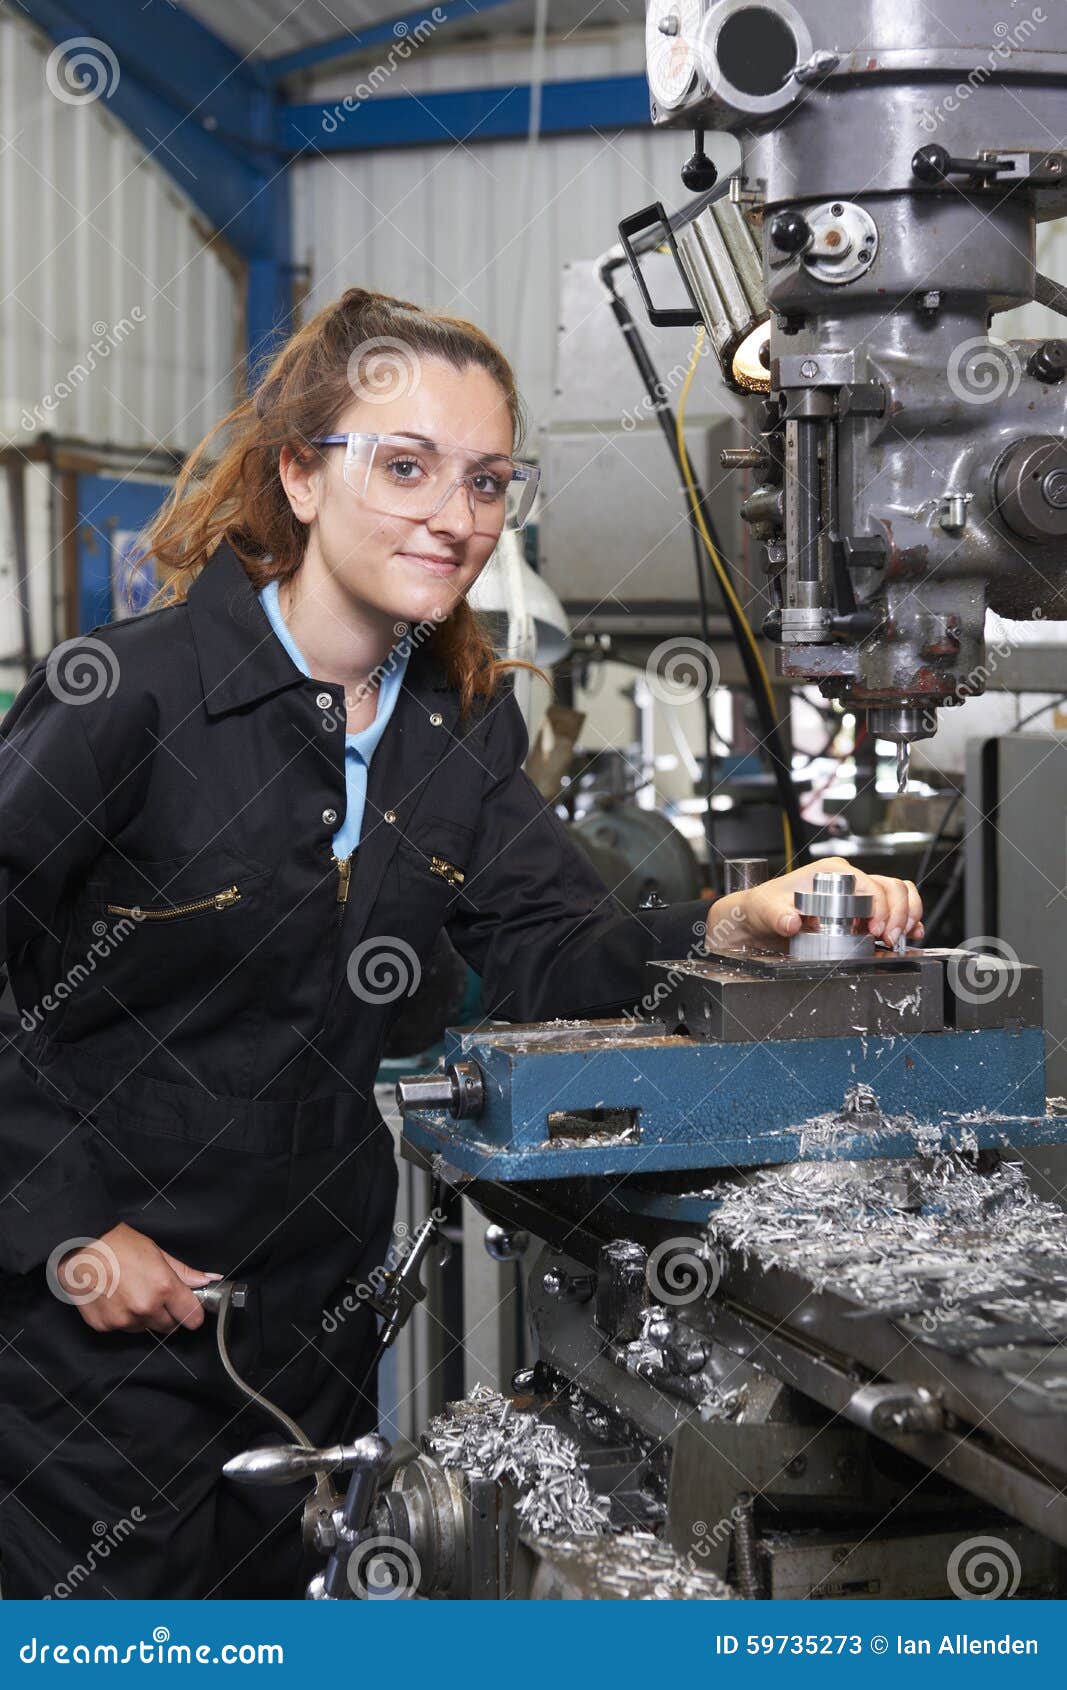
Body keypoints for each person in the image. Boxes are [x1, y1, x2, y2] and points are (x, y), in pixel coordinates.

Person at [0, 287, 923, 1600]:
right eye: (406, 465)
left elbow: (557, 946)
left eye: (489, 480)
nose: (455, 513)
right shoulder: (133, 695)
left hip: (307, 1330)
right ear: (302, 477)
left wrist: (731, 918)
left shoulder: (456, 727)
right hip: (89, 1342)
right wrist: (66, 1222)